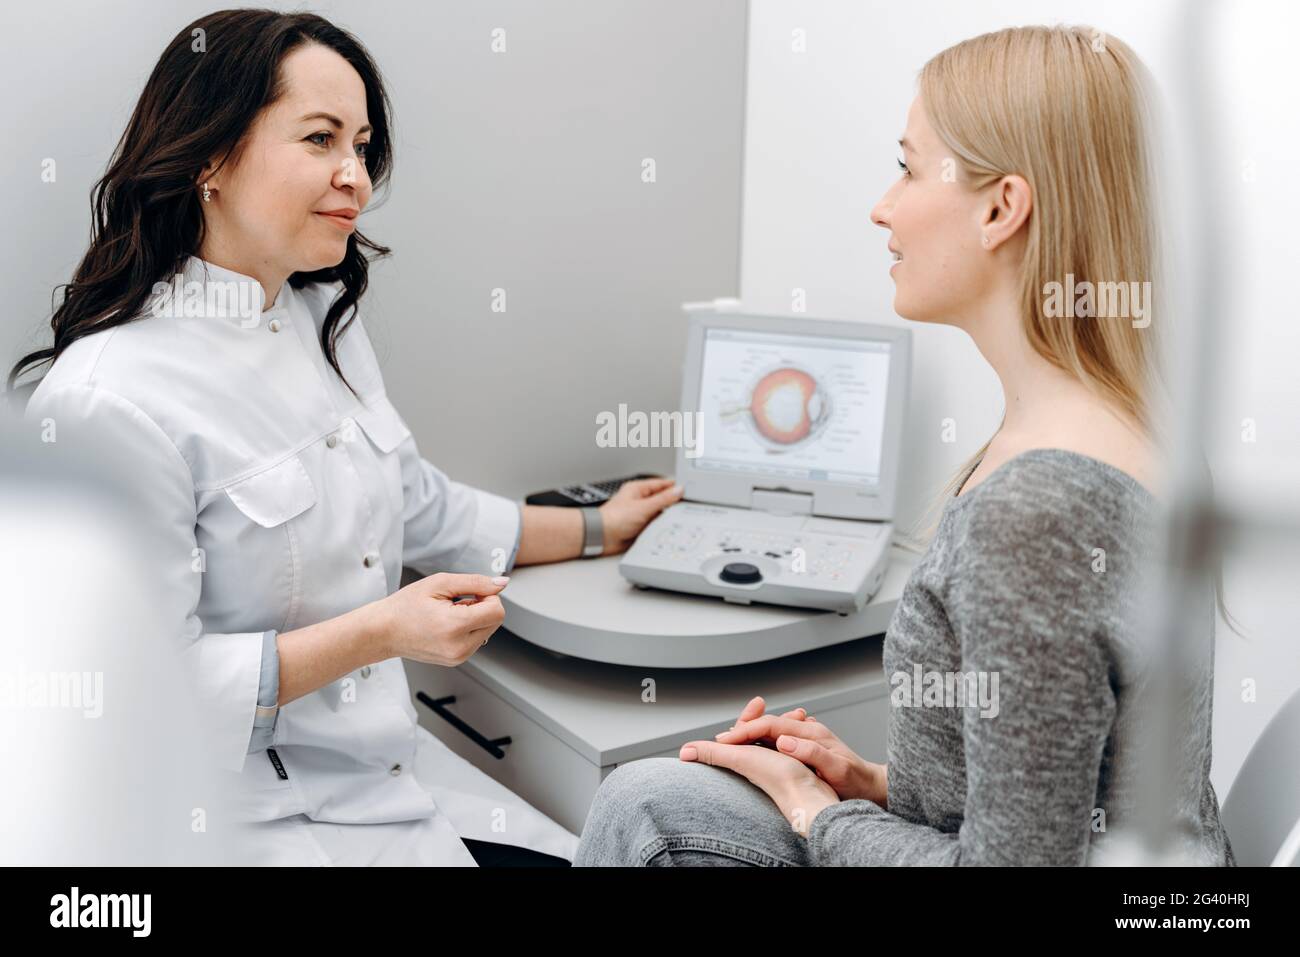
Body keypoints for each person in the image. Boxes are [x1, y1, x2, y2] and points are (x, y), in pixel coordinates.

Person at [12, 9, 682, 867]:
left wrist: (598, 527)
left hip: (392, 785)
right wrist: (383, 633)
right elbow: (133, 694)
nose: (355, 178)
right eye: (321, 139)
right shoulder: (111, 396)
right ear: (209, 158)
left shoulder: (319, 316)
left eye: (362, 147)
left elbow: (417, 499)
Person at [574, 24, 1236, 867]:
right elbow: (1066, 792)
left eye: (907, 167)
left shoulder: (1039, 513)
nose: (882, 207)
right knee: (652, 797)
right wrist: (869, 780)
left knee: (642, 807)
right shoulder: (1136, 430)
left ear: (1001, 208)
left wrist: (823, 815)